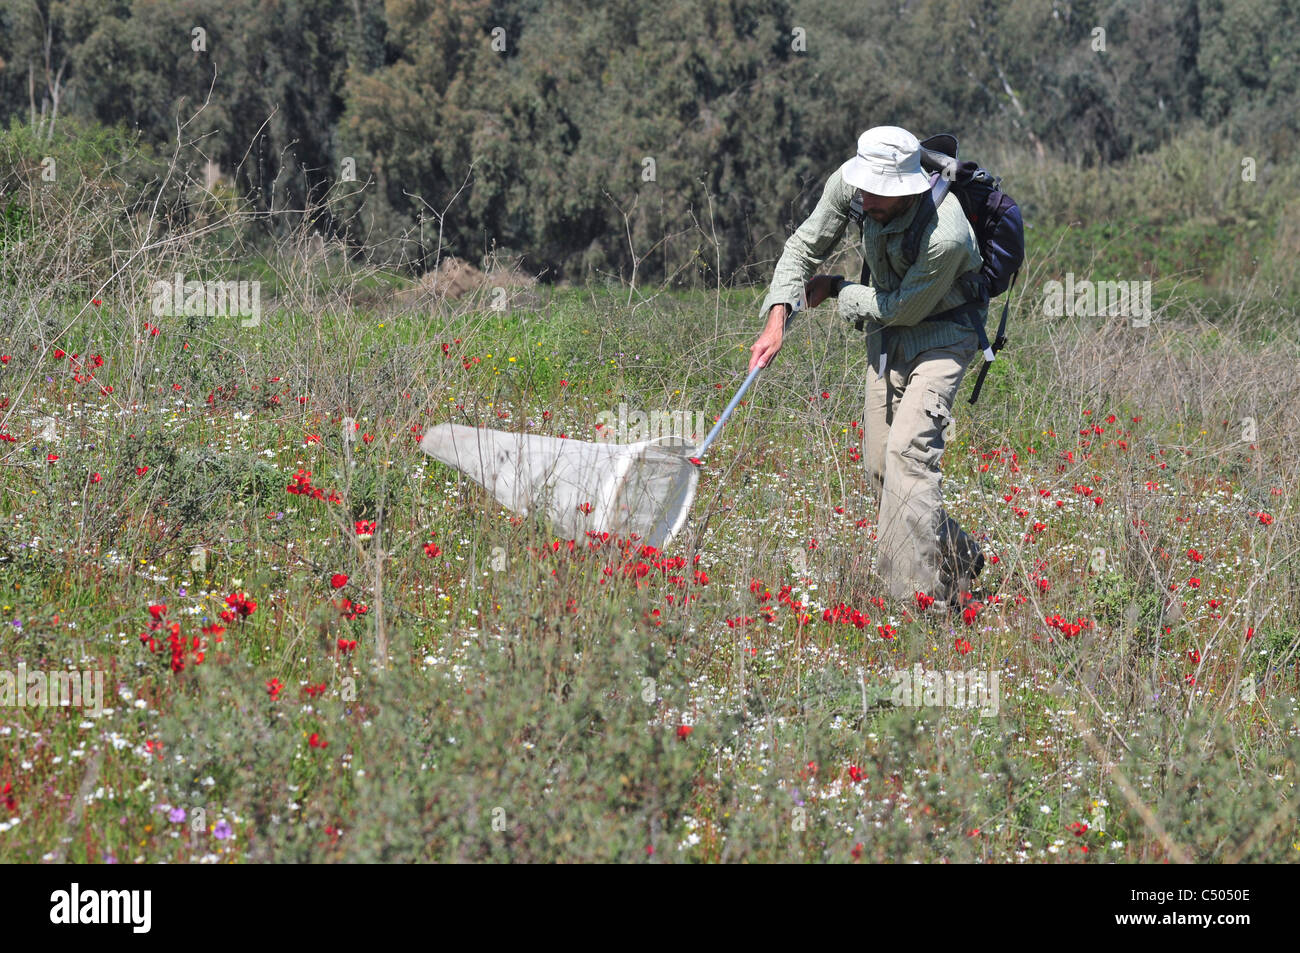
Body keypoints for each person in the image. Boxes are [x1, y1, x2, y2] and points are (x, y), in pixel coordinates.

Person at [749, 125, 986, 610]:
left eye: (879, 193)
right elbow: (803, 247)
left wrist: (838, 289)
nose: (865, 197)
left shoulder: (947, 234)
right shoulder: (852, 185)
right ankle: (961, 556)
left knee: (908, 457)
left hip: (943, 336)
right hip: (886, 336)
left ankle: (918, 606)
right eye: (864, 187)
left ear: (905, 189)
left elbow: (901, 307)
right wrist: (777, 320)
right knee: (881, 467)